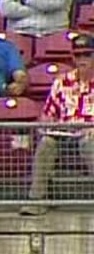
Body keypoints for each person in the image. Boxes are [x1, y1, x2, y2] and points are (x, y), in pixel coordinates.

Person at [24, 34, 94, 215]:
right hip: (65, 135)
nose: (81, 60)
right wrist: (49, 127)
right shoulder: (62, 81)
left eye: (87, 55)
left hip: (89, 136)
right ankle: (37, 200)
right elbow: (47, 115)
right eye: (78, 55)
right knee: (46, 142)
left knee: (90, 142)